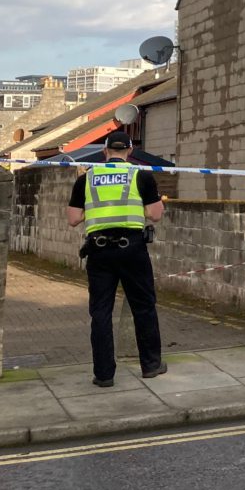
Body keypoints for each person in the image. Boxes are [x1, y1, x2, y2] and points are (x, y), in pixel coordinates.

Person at [67, 129, 166, 387]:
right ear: (130, 151)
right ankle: (151, 365)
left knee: (101, 313)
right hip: (132, 249)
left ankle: (103, 374)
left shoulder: (86, 179)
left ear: (105, 151)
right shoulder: (140, 175)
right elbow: (155, 215)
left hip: (99, 252)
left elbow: (73, 219)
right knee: (143, 307)